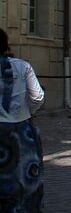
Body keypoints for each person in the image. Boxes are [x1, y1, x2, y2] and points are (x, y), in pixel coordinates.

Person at [0, 28, 45, 212]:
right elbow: (38, 97)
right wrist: (27, 113)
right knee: (26, 181)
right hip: (21, 132)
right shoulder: (23, 66)